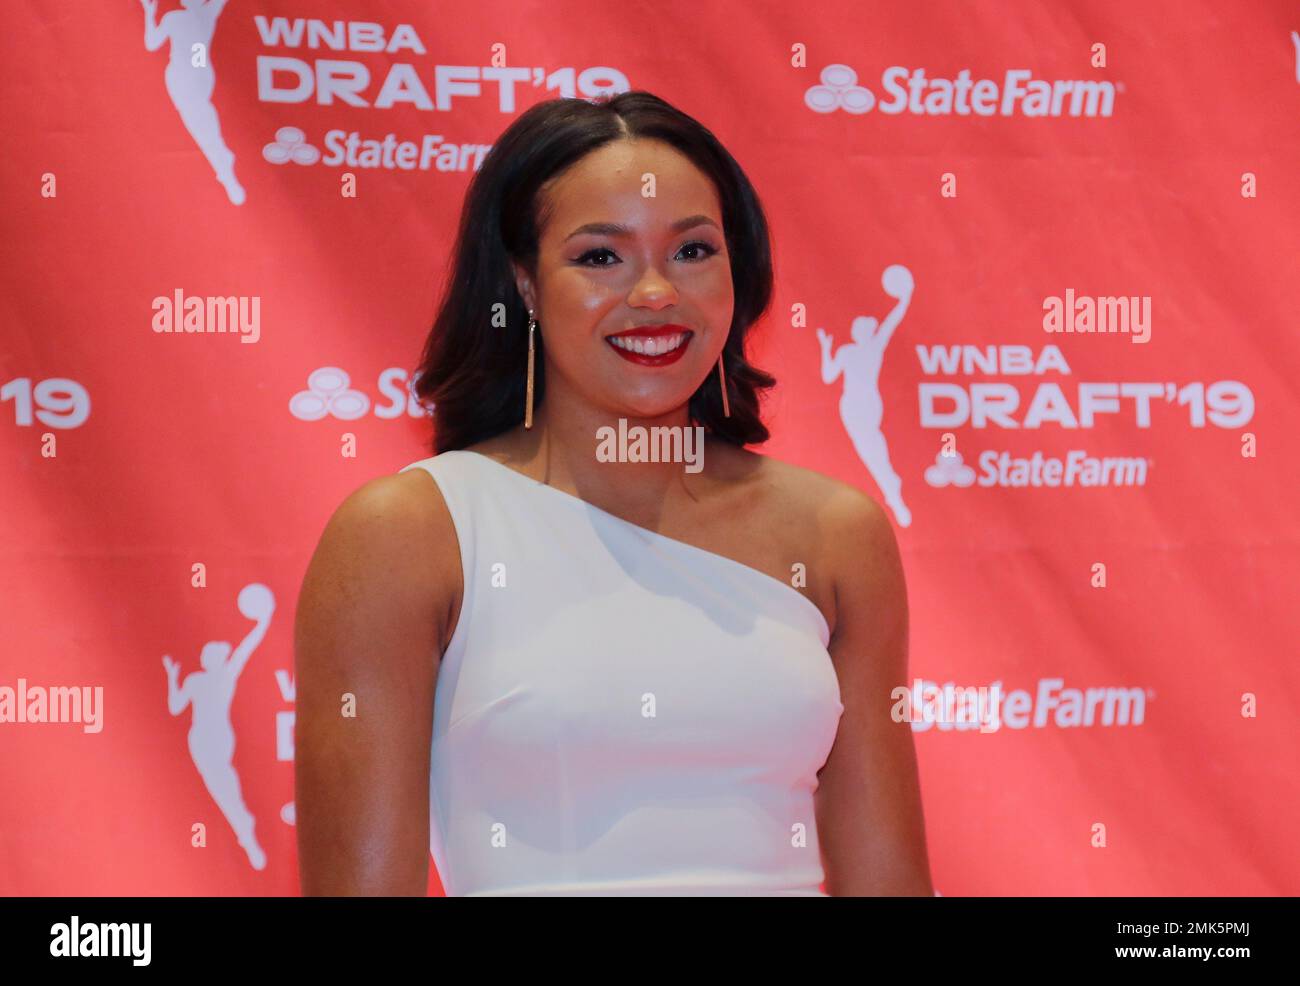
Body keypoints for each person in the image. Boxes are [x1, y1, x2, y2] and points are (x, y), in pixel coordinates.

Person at [294, 91, 933, 896]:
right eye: (601, 257)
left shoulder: (836, 534)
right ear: (523, 285)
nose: (657, 294)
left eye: (694, 250)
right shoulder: (413, 533)